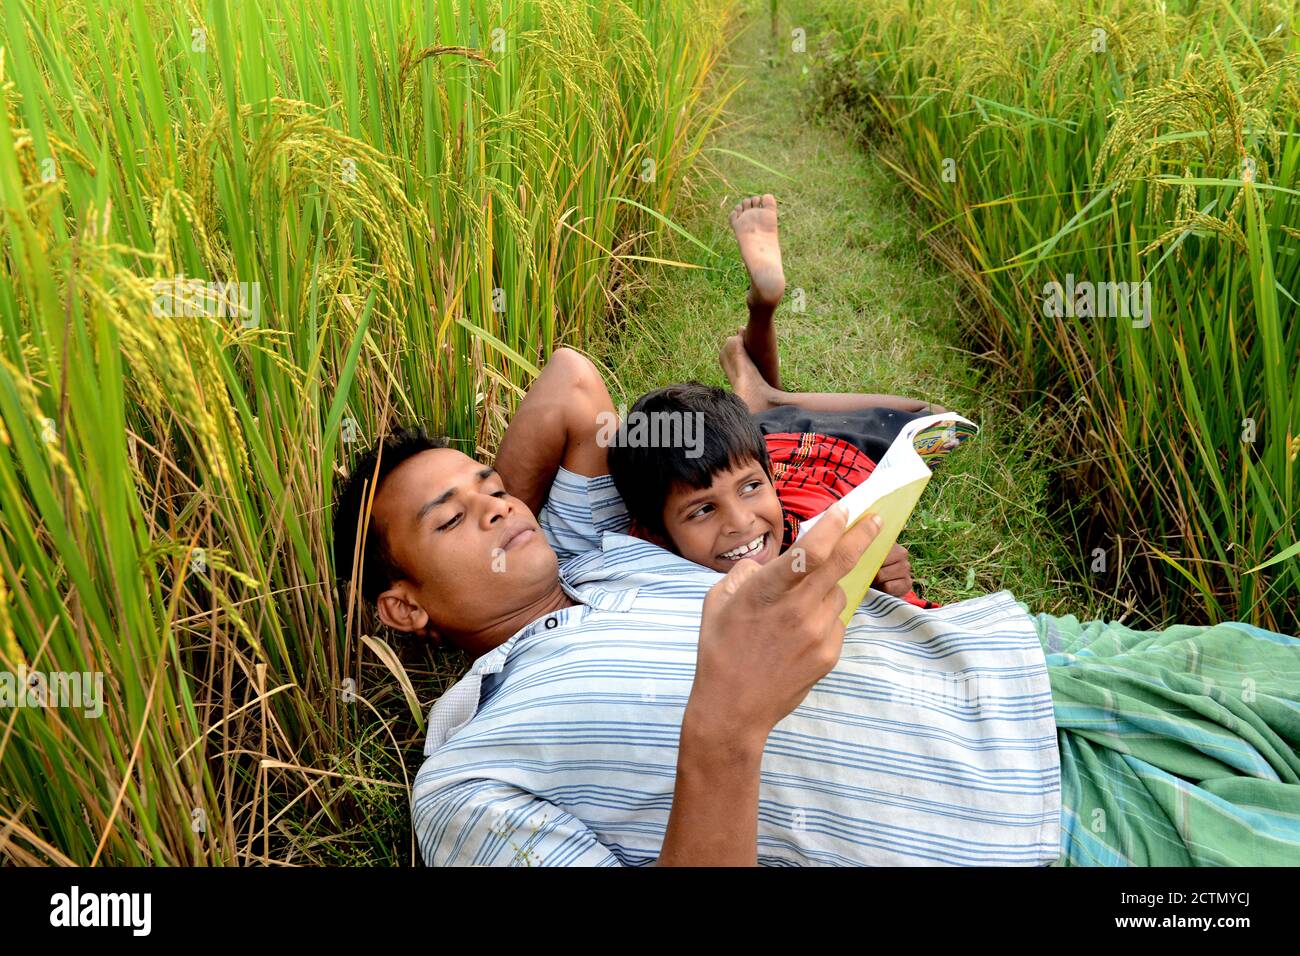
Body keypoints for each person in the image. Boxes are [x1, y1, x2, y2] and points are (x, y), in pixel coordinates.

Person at [608, 195, 941, 607]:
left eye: (750, 488)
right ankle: (762, 393)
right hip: (756, 442)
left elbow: (900, 600)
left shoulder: (819, 530)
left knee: (930, 417)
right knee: (763, 422)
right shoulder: (648, 569)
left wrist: (888, 581)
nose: (741, 523)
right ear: (657, 535)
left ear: (768, 476)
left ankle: (767, 391)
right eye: (701, 511)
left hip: (816, 454)